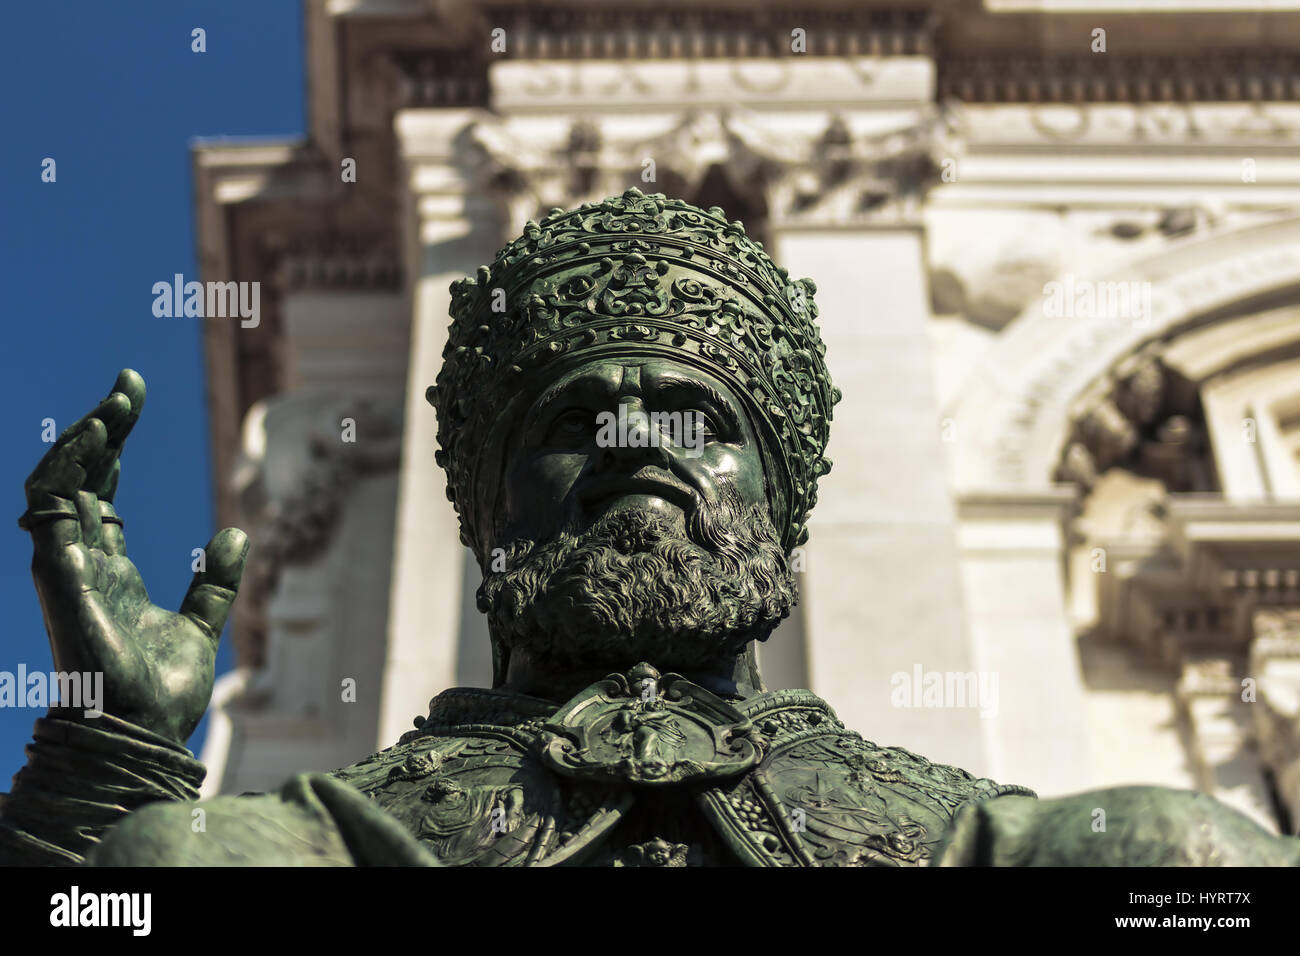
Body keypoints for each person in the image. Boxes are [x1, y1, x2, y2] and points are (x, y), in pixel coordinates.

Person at [2, 190, 1295, 866]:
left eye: (690, 413)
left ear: (779, 511)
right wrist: (106, 765)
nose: (635, 440)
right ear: (489, 521)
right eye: (576, 422)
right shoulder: (308, 850)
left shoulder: (989, 849)